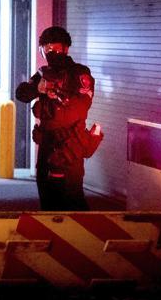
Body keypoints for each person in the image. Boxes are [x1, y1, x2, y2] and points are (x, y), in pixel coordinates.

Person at [15, 26, 101, 210]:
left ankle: (84, 236)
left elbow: (81, 107)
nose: (50, 53)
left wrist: (60, 97)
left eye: (54, 49)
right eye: (46, 49)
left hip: (69, 143)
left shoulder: (79, 74)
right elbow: (21, 93)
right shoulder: (43, 74)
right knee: (46, 195)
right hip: (47, 142)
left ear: (65, 48)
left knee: (72, 197)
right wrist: (38, 89)